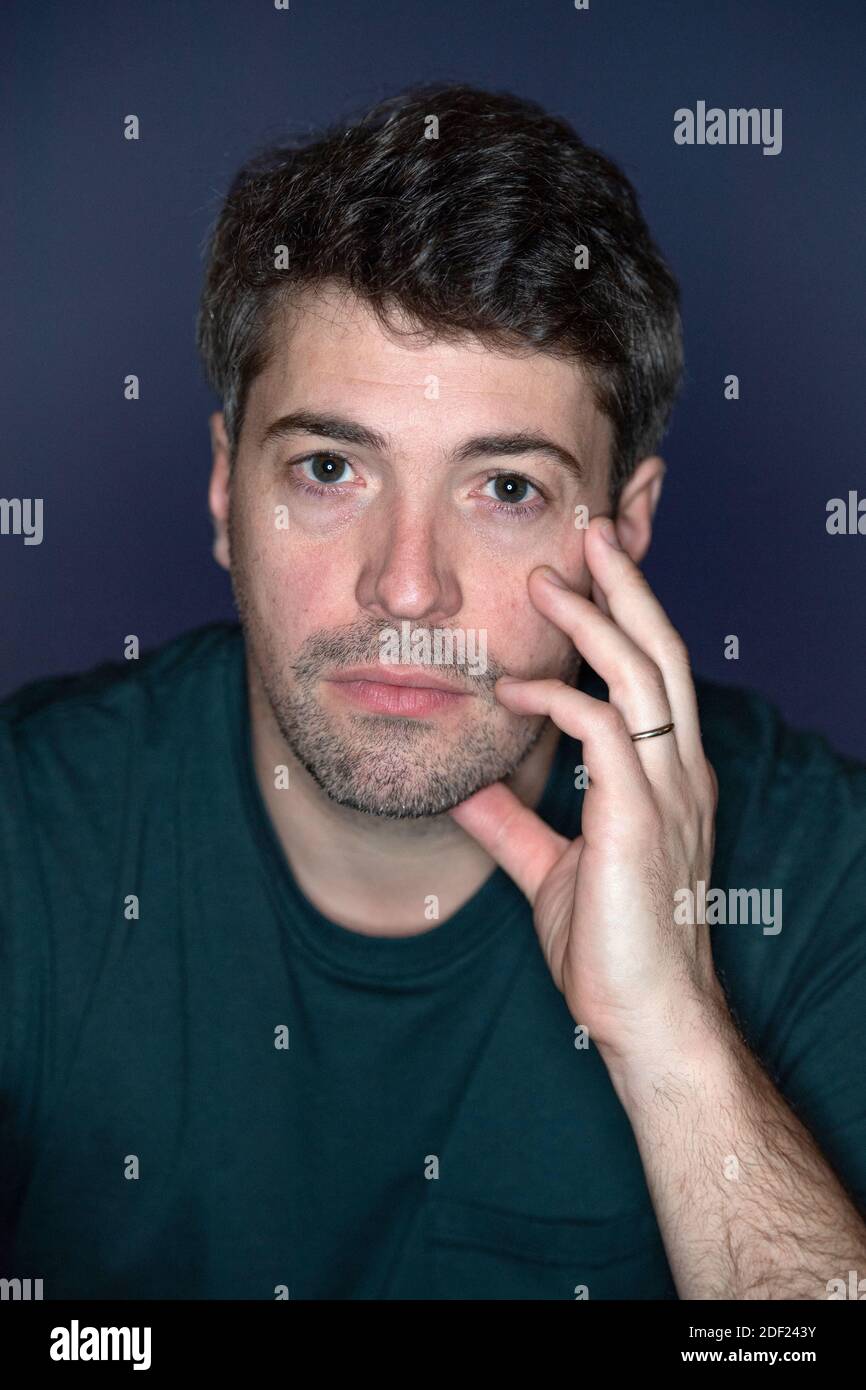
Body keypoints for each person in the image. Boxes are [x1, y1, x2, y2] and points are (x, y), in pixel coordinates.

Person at [2, 82, 865, 1301]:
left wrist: (675, 1047)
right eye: (329, 467)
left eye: (505, 488)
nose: (406, 588)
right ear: (220, 496)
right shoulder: (27, 841)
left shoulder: (822, 874)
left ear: (624, 526)